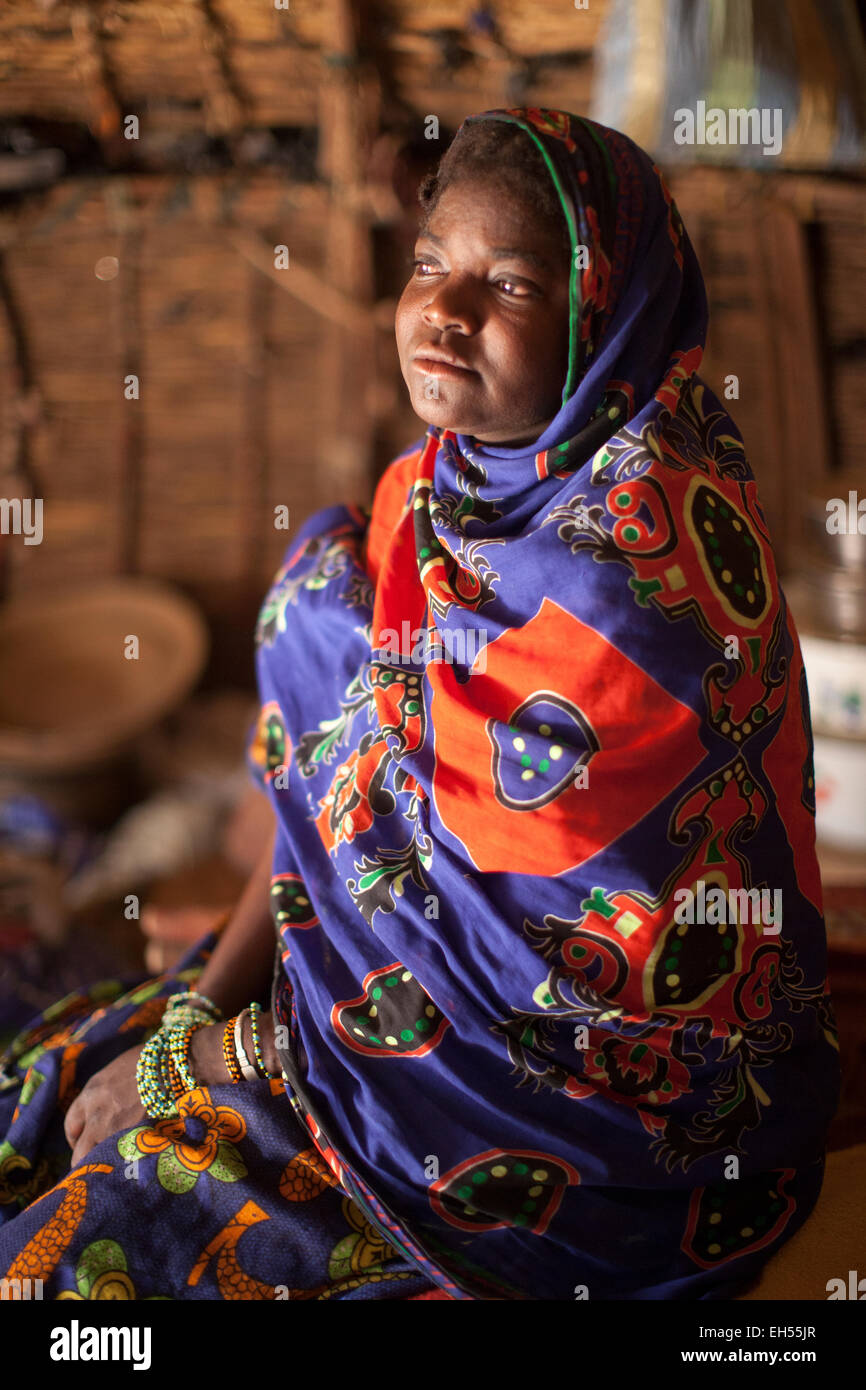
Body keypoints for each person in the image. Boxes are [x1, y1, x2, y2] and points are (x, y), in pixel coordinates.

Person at [0, 107, 840, 1301]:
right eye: (430, 265)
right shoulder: (436, 500)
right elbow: (332, 818)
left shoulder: (633, 593)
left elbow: (526, 989)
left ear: (603, 320)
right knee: (43, 1085)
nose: (444, 311)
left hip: (565, 1127)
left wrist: (212, 1054)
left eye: (509, 282)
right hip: (348, 1015)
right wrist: (195, 1010)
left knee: (69, 1273)